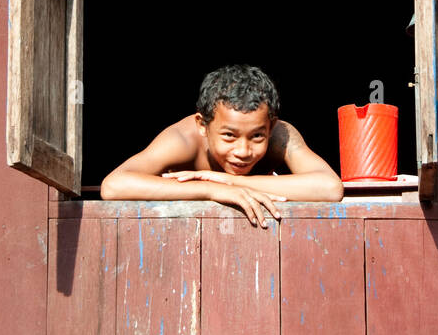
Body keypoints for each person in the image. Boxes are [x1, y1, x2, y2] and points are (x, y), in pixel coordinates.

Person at [99, 63, 343, 226]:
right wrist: (209, 190)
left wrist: (229, 180)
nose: (243, 151)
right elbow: (113, 186)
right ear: (202, 125)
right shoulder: (183, 139)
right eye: (229, 136)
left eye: (257, 136)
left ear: (270, 126)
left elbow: (329, 188)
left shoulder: (281, 136)